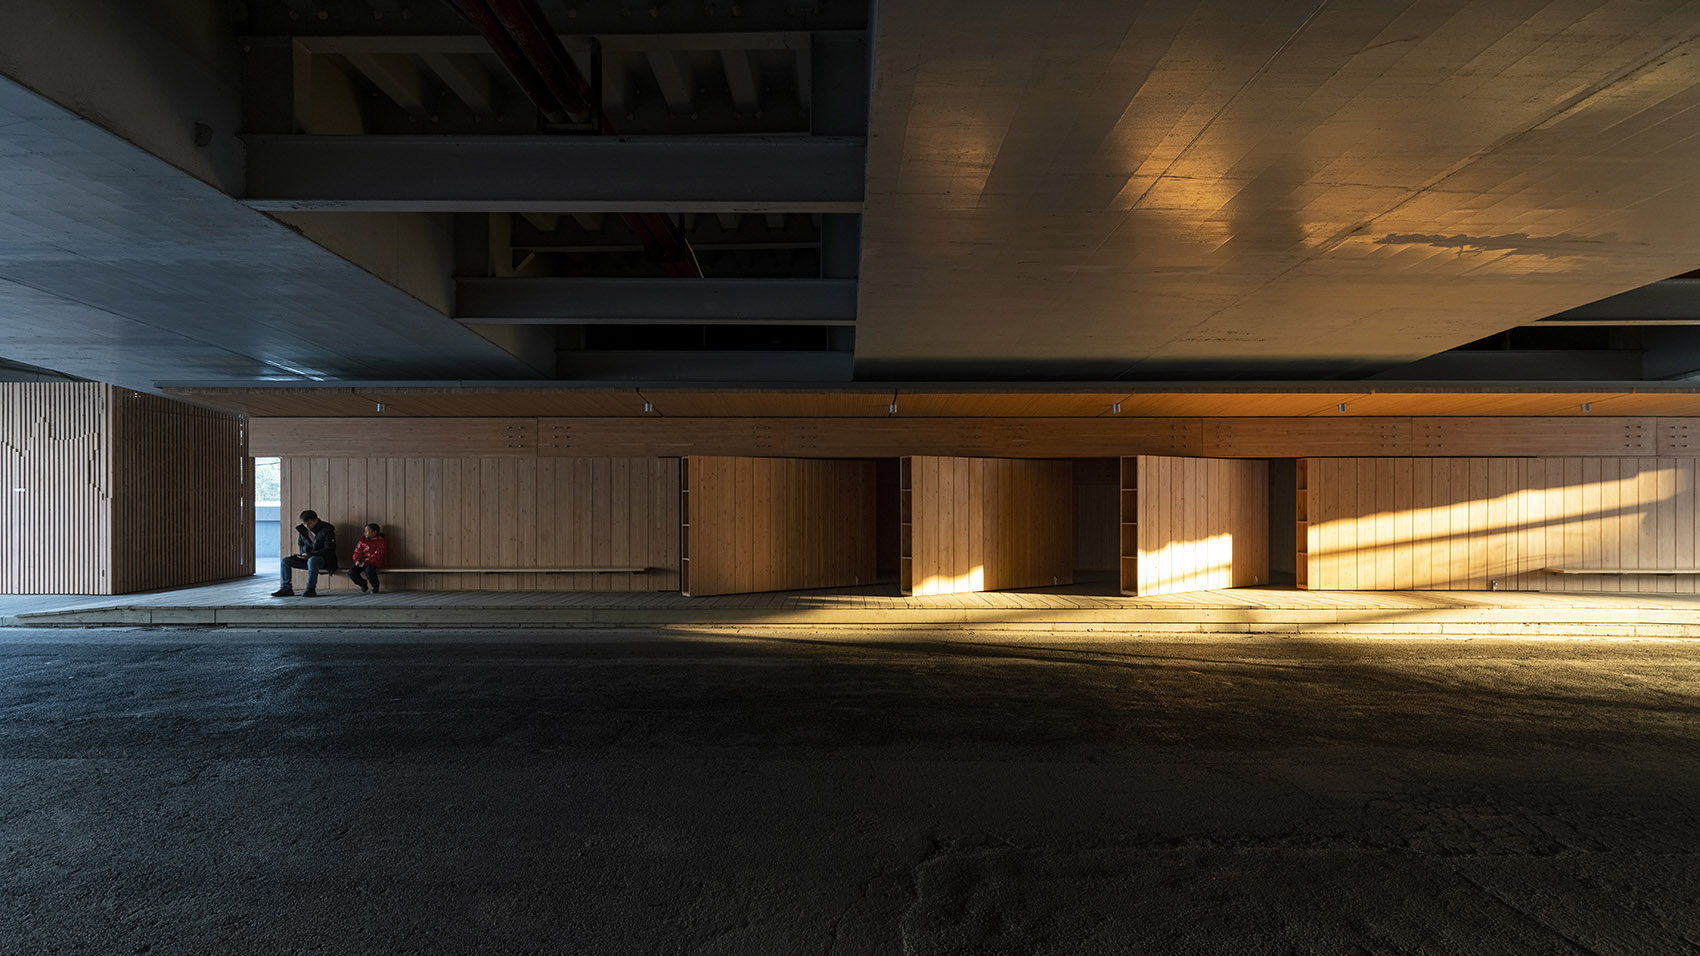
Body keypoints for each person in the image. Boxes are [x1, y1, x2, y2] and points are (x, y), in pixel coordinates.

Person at [272, 510, 336, 597]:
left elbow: (329, 549)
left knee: (313, 560)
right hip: (307, 558)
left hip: (323, 560)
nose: (307, 526)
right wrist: (303, 553)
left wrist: (311, 554)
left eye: (309, 523)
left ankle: (311, 589)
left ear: (316, 520)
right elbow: (301, 544)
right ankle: (286, 588)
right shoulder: (303, 530)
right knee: (285, 561)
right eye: (304, 523)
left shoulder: (327, 529)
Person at [348, 523, 388, 594]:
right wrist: (357, 560)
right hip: (362, 562)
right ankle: (363, 584)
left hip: (374, 563)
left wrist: (365, 562)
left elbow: (377, 555)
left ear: (375, 532)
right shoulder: (362, 540)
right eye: (365, 531)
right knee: (352, 572)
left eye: (367, 531)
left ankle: (375, 586)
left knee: (369, 570)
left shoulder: (380, 541)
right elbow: (358, 551)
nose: (365, 533)